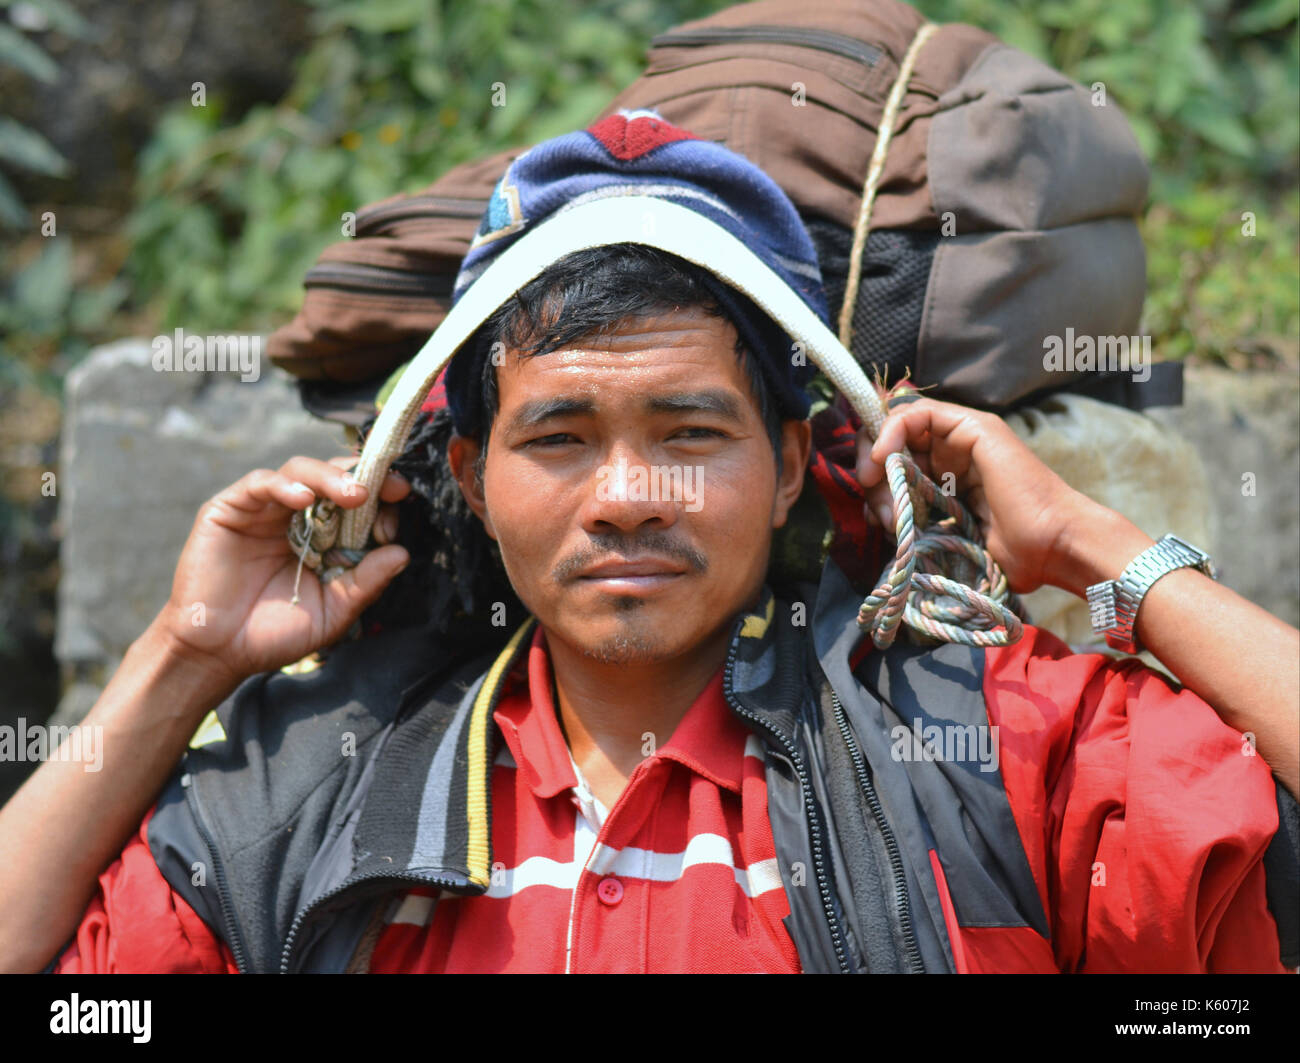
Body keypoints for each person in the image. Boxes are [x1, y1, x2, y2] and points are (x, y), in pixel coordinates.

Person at [1, 112, 1296, 973]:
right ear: (471, 473)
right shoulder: (309, 801)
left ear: (791, 464)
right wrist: (187, 654)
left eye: (689, 431)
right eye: (559, 437)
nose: (625, 494)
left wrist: (1088, 543)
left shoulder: (990, 756)